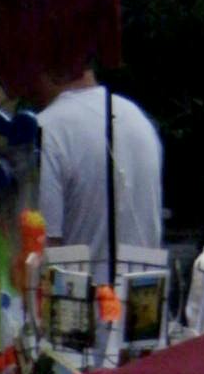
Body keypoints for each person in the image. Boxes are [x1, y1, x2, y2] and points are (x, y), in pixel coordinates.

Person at [37, 78, 164, 273]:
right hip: (144, 296)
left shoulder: (47, 130)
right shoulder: (140, 121)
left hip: (79, 299)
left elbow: (42, 251)